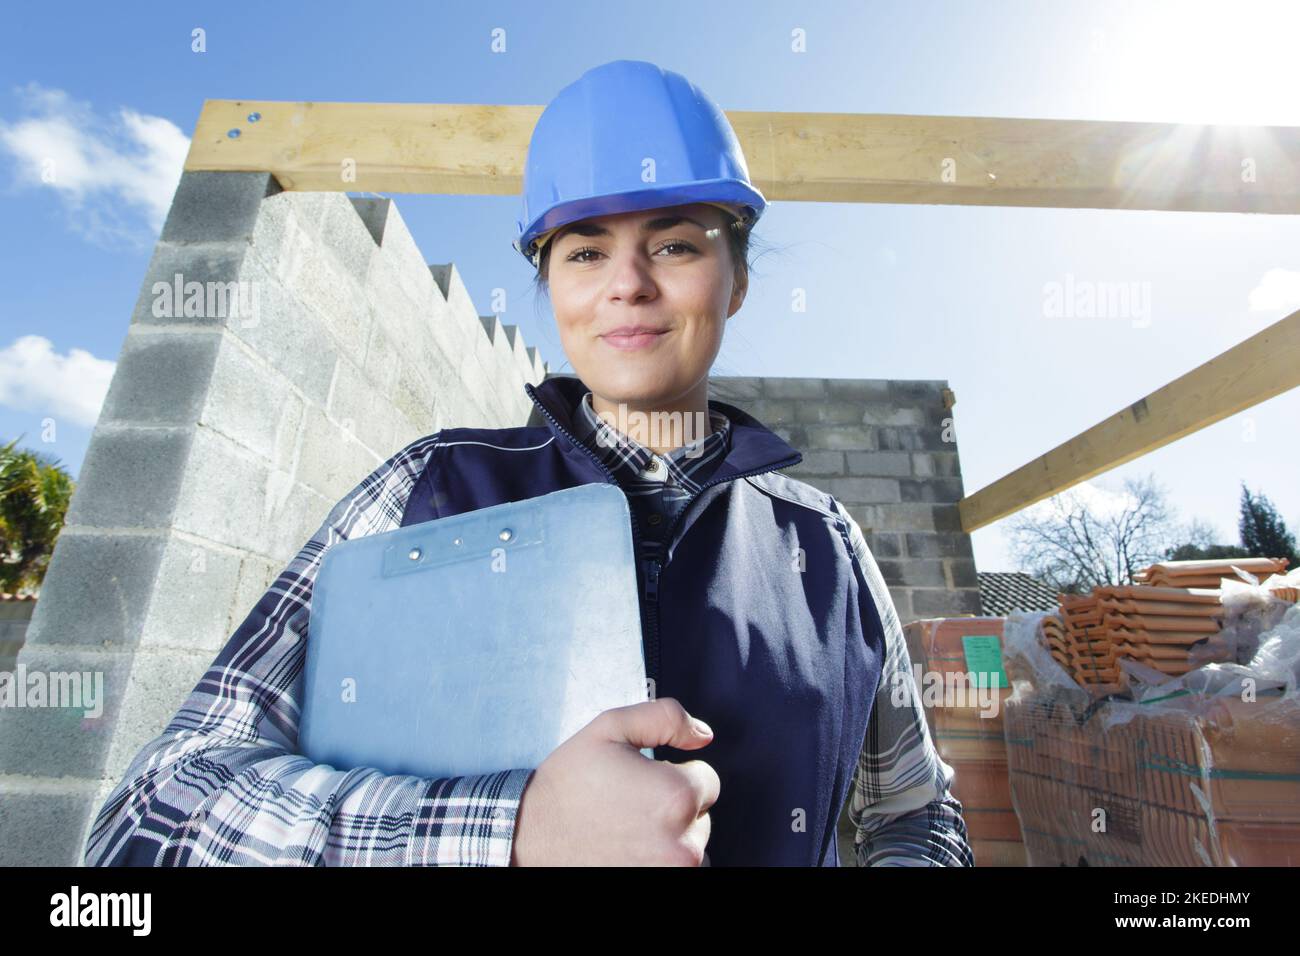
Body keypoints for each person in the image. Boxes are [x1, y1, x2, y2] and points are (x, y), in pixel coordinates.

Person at [83, 59, 973, 867]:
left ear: (735, 279)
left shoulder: (823, 547)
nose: (628, 281)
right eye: (585, 251)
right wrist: (511, 831)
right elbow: (149, 816)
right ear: (551, 292)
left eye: (675, 243)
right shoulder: (431, 490)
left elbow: (916, 818)